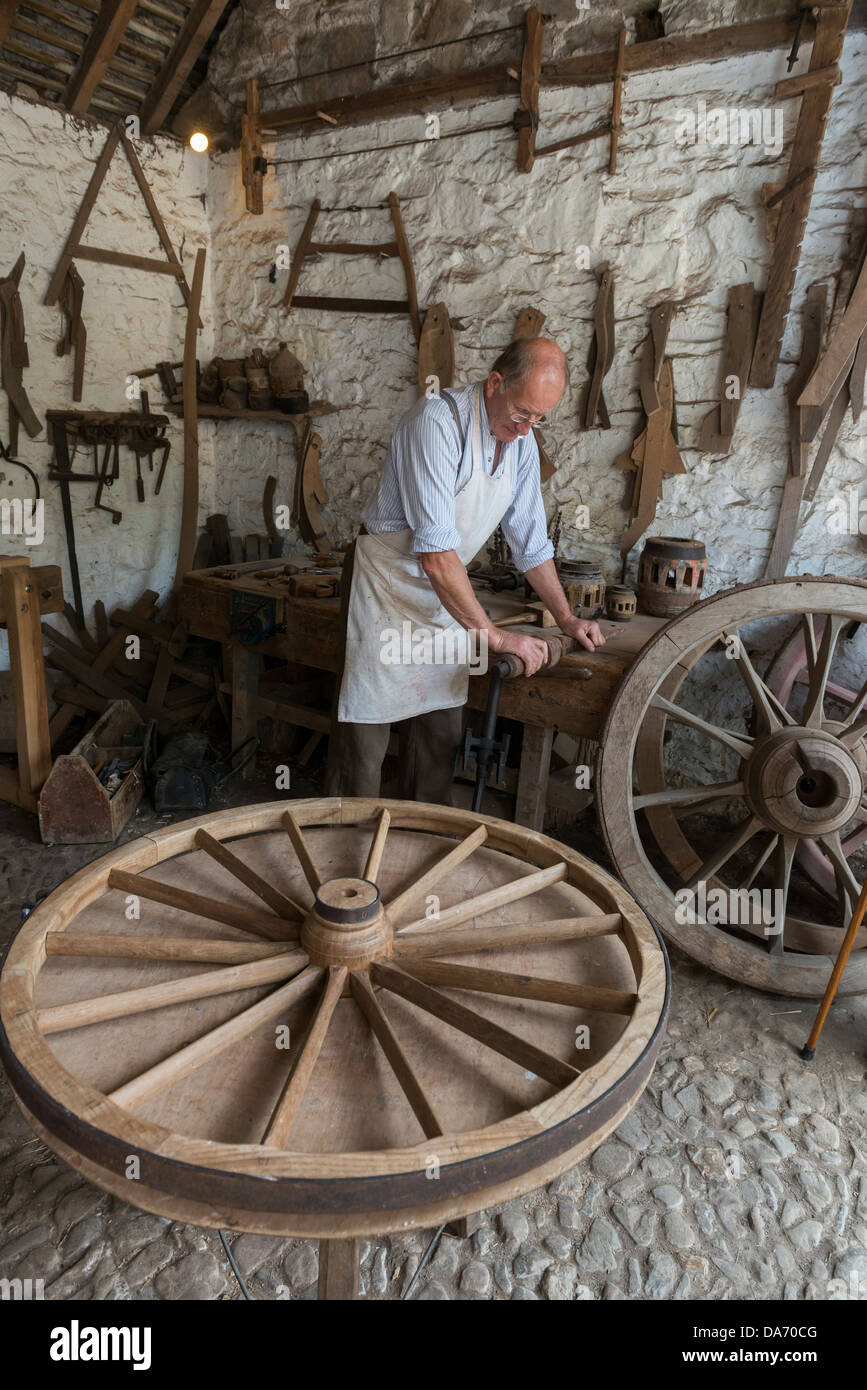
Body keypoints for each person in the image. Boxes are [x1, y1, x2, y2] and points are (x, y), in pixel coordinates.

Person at [325, 337, 604, 802]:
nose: (525, 429)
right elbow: (434, 553)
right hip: (387, 585)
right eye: (520, 413)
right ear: (495, 382)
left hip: (446, 594)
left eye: (539, 419)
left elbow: (531, 543)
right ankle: (347, 842)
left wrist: (567, 617)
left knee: (440, 729)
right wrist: (494, 637)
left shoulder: (521, 441)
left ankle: (426, 841)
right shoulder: (435, 422)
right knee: (366, 732)